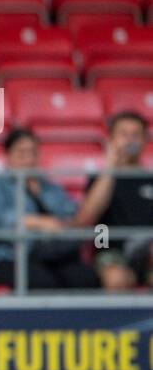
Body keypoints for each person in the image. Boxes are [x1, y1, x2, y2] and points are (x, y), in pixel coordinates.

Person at [0, 127, 97, 291]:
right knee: (43, 282)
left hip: (53, 253)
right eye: (22, 153)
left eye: (33, 152)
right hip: (11, 256)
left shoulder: (48, 186)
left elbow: (70, 213)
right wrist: (37, 222)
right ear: (8, 156)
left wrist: (63, 224)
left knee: (85, 278)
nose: (29, 159)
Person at [76, 111, 153, 291]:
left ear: (145, 140)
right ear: (111, 139)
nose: (130, 140)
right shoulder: (100, 179)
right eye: (123, 134)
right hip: (110, 251)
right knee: (116, 279)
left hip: (148, 253)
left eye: (136, 135)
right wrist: (111, 167)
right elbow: (86, 218)